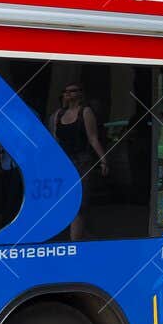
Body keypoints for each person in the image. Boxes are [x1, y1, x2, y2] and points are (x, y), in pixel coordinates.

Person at [49, 82, 107, 240]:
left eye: (72, 91)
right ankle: (81, 234)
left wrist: (103, 159)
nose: (68, 94)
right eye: (65, 91)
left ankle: (75, 240)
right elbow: (55, 141)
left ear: (80, 94)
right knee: (66, 201)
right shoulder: (58, 115)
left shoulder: (85, 112)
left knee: (79, 202)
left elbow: (93, 138)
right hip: (64, 163)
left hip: (82, 161)